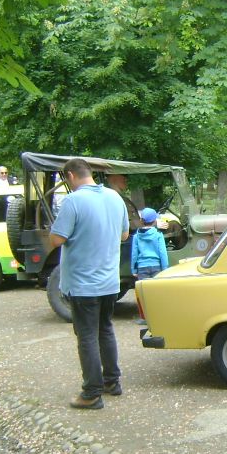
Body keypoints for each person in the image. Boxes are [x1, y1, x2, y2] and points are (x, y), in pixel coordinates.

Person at [49, 158, 129, 410]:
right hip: (109, 282)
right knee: (105, 329)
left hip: (83, 284)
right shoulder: (115, 198)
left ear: (70, 176)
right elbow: (125, 234)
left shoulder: (73, 201)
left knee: (86, 337)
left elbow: (56, 239)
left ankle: (92, 393)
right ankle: (111, 382)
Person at [131, 208, 170, 325]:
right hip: (156, 267)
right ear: (154, 221)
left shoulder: (137, 236)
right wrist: (165, 268)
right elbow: (163, 253)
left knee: (143, 294)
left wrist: (133, 269)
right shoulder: (158, 235)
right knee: (157, 292)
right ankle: (159, 316)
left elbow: (134, 254)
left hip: (142, 267)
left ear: (142, 221)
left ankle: (145, 319)